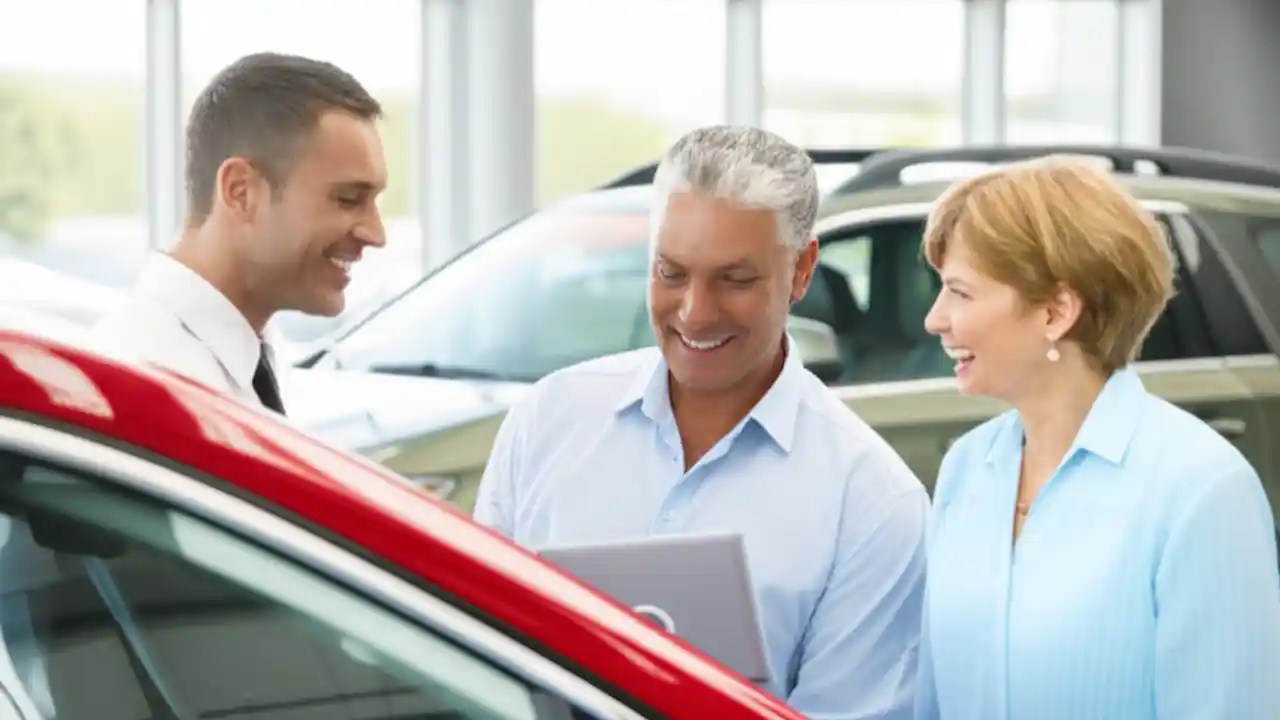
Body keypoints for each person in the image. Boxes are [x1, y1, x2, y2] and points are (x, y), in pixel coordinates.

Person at [474, 125, 929, 719]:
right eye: (670, 273)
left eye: (734, 281)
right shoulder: (546, 422)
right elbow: (480, 658)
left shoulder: (871, 500)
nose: (695, 312)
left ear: (801, 271)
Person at [915, 156, 1280, 719]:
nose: (935, 320)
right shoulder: (968, 467)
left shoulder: (1200, 489)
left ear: (1056, 311)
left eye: (960, 293)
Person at [91, 52, 389, 415]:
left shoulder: (265, 361)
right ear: (240, 192)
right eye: (348, 199)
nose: (376, 234)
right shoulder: (142, 387)